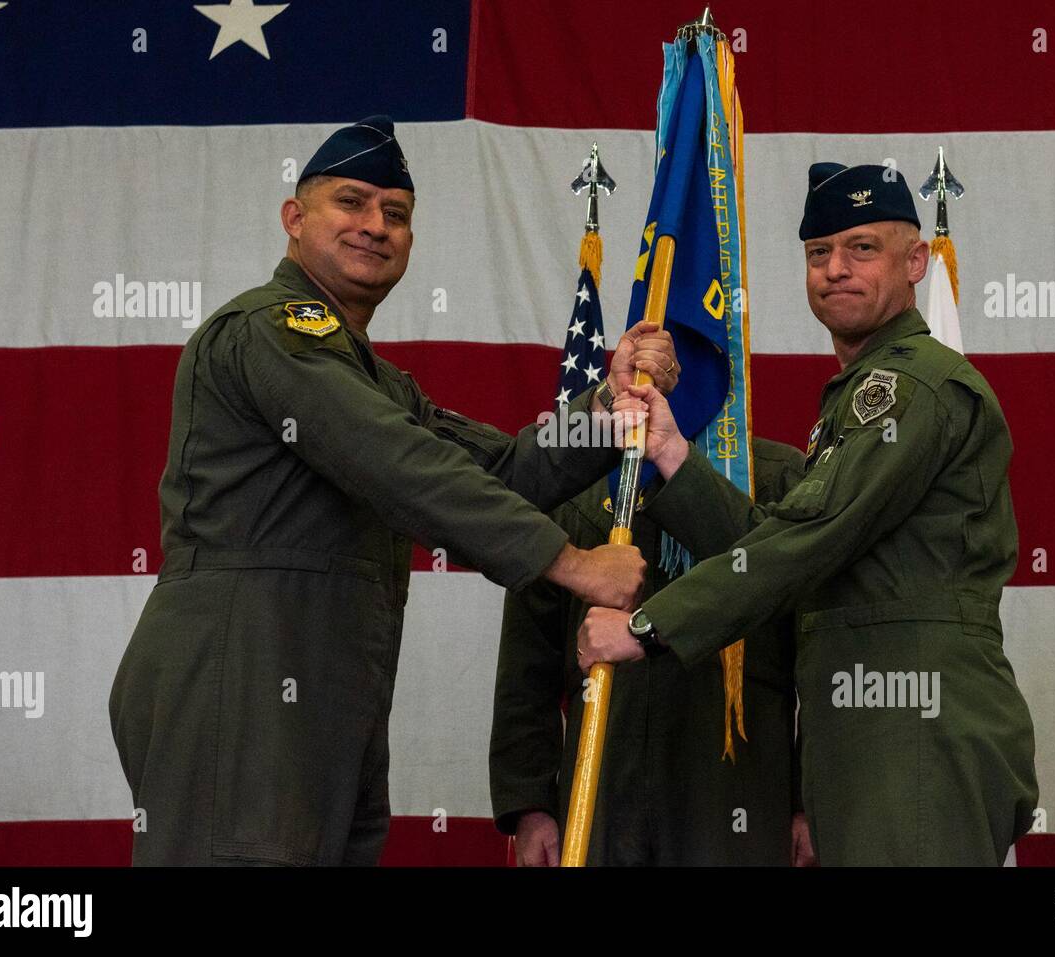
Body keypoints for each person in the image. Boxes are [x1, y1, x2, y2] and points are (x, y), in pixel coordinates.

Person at [108, 115, 678, 866]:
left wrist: (607, 408)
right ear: (295, 218)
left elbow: (502, 468)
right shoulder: (271, 330)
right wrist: (571, 563)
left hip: (318, 696)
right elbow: (398, 464)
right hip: (239, 684)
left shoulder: (369, 378)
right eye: (351, 202)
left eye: (396, 213)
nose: (375, 226)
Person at [578, 162, 1039, 866]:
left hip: (914, 729)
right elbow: (784, 550)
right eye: (818, 252)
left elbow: (807, 538)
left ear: (916, 261)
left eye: (861, 247)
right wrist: (672, 452)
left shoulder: (913, 383)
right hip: (870, 734)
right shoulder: (858, 393)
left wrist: (647, 626)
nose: (835, 268)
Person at [490, 438, 815, 866]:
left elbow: (817, 655)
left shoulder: (775, 476)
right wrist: (530, 804)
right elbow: (527, 666)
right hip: (603, 784)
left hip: (739, 788)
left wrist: (809, 802)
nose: (656, 372)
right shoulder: (569, 479)